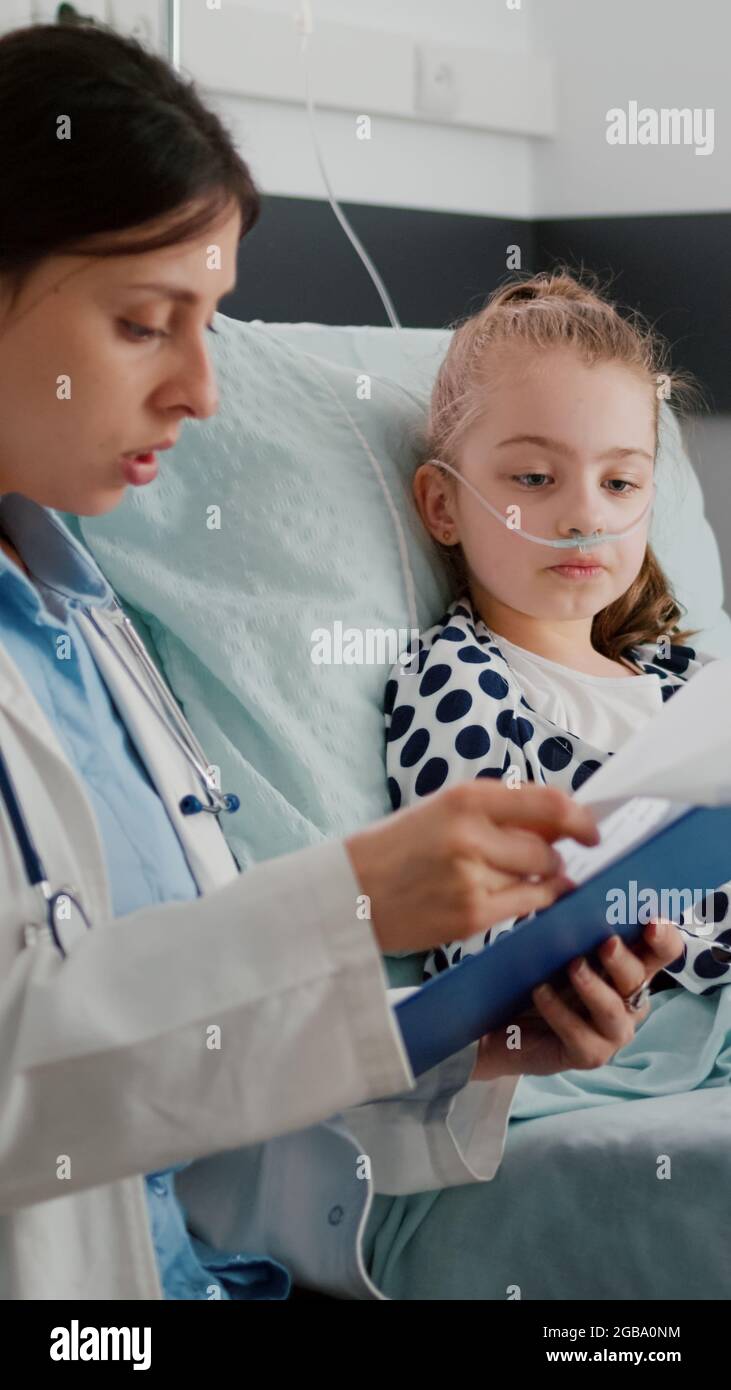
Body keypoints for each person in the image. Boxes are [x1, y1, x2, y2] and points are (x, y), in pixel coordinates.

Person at [0, 23, 682, 1301]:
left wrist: (472, 1044)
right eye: (148, 322)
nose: (204, 391)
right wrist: (350, 904)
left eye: (212, 324)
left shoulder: (88, 635)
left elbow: (181, 1107)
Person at [387, 270, 730, 997]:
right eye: (535, 479)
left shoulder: (689, 682)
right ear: (441, 504)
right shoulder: (460, 685)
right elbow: (479, 946)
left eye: (618, 483)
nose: (584, 518)